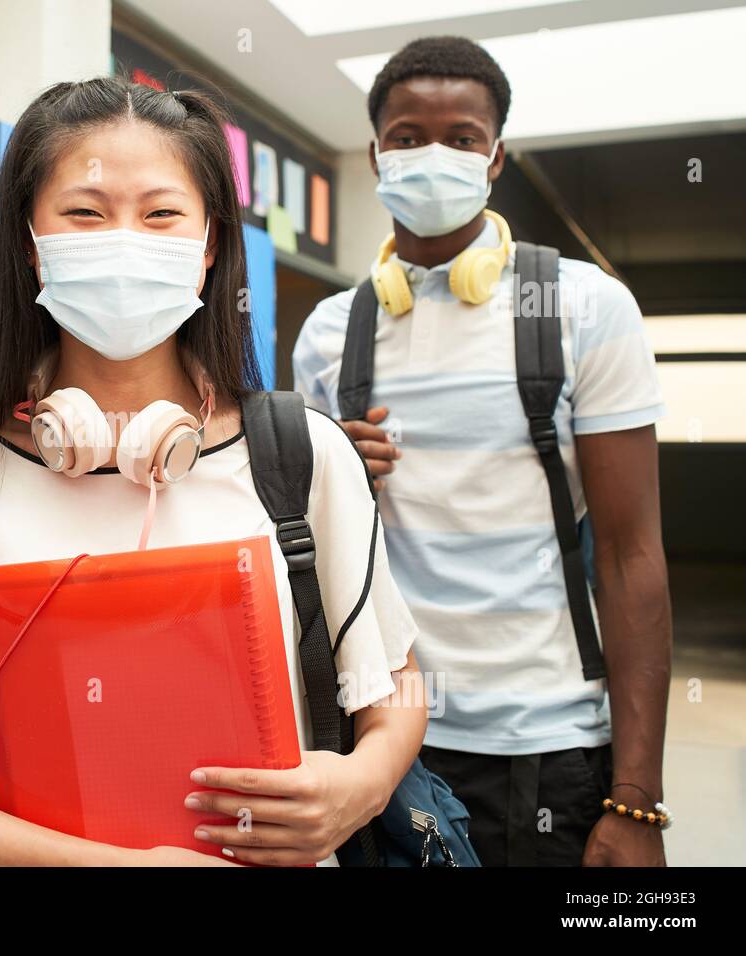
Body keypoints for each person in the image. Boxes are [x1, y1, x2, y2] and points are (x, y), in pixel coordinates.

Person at [0, 75, 425, 867]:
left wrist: (362, 783)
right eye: (85, 214)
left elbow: (396, 684)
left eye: (162, 215)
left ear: (210, 246)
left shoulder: (302, 454)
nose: (126, 240)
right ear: (30, 241)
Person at [293, 37, 672, 866]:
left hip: (547, 747)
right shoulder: (332, 333)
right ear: (375, 154)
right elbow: (313, 558)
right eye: (407, 136)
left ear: (496, 158)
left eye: (462, 138)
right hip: (386, 734)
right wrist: (335, 477)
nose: (433, 154)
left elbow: (631, 551)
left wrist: (637, 799)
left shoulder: (581, 306)